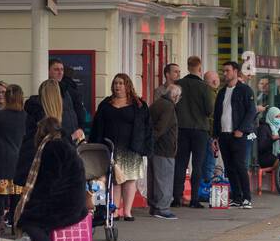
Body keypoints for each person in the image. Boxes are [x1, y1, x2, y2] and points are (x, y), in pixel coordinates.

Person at [13, 117, 88, 241]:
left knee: (28, 220)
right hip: (75, 201)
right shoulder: (65, 144)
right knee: (39, 219)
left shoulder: (51, 147)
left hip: (66, 202)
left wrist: (31, 203)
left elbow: (49, 181)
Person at [90, 73, 149, 221]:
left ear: (127, 85)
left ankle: (127, 212)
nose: (118, 86)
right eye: (115, 83)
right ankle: (115, 210)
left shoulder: (139, 105)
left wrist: (146, 145)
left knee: (130, 179)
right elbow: (97, 126)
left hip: (131, 148)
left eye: (121, 83)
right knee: (114, 180)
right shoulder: (105, 104)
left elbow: (147, 127)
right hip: (110, 148)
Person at [0, 84, 27, 233]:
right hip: (19, 160)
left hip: (0, 160)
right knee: (16, 194)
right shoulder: (25, 116)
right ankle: (16, 224)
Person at [212, 60, 255, 209]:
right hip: (224, 134)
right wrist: (215, 136)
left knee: (240, 165)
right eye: (223, 71)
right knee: (229, 167)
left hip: (238, 134)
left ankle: (247, 198)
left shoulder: (245, 90)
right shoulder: (222, 92)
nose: (224, 74)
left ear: (235, 72)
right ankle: (236, 197)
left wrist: (241, 129)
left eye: (227, 71)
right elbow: (217, 114)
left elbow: (251, 112)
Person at [174, 56, 214, 209]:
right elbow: (209, 110)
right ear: (199, 67)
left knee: (180, 163)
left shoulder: (179, 84)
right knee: (197, 165)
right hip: (200, 130)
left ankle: (177, 197)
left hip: (181, 128)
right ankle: (194, 199)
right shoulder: (204, 87)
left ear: (188, 66)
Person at [148, 83, 179, 220]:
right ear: (175, 96)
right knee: (165, 178)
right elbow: (161, 128)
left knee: (156, 178)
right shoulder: (168, 106)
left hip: (155, 147)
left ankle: (155, 206)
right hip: (164, 147)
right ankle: (162, 208)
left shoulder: (157, 103)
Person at [47, 59, 88, 141]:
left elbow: (77, 111)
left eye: (62, 69)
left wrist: (80, 128)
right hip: (58, 137)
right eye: (56, 69)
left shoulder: (67, 90)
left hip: (72, 136)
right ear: (48, 71)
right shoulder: (46, 90)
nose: (60, 72)